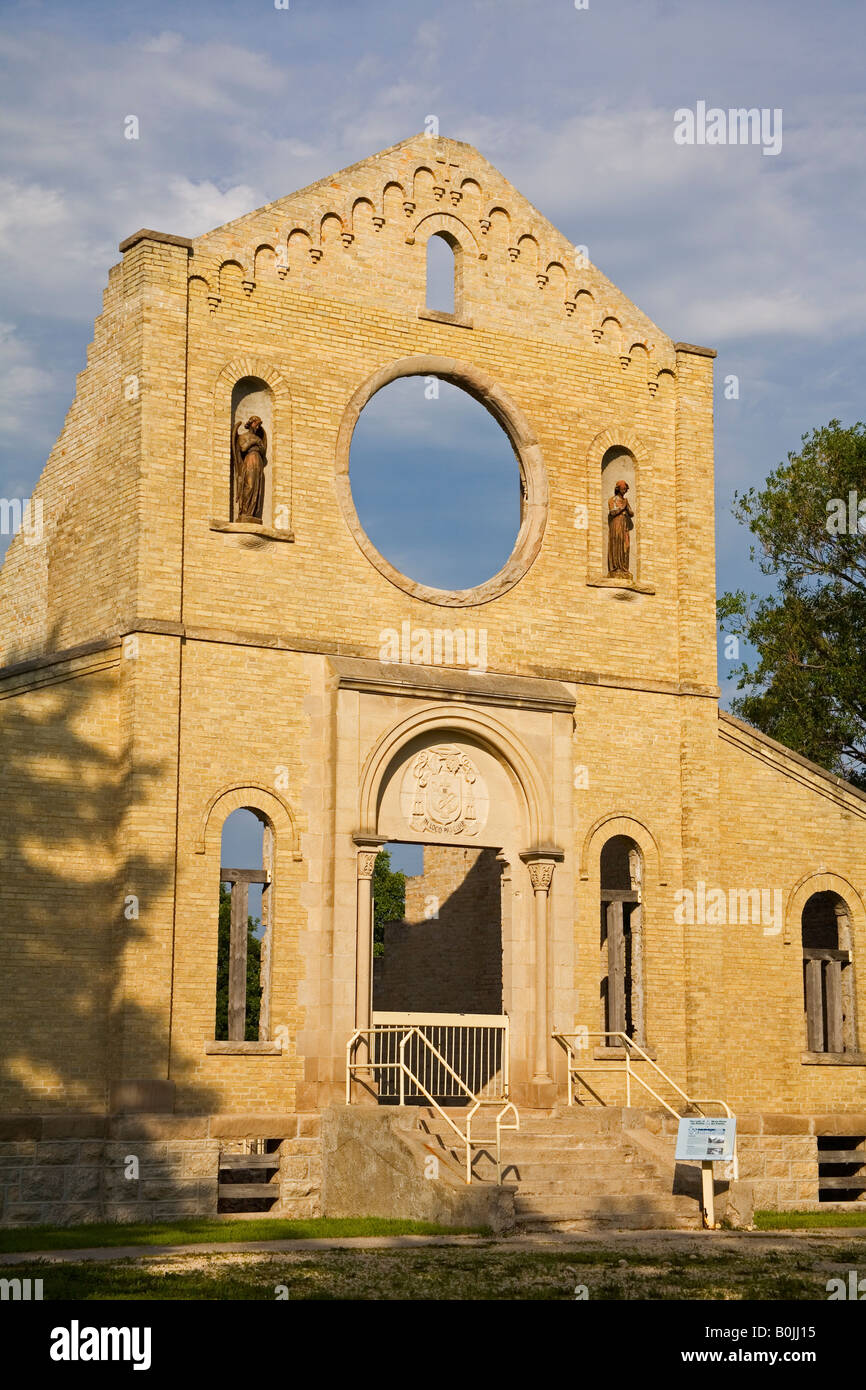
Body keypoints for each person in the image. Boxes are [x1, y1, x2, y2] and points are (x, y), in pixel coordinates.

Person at [232, 416, 267, 522]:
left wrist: (257, 444)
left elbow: (263, 450)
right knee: (249, 486)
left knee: (257, 488)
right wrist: (253, 442)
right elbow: (243, 448)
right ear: (251, 424)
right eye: (257, 424)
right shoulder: (244, 436)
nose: (258, 427)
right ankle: (245, 512)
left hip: (258, 463)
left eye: (259, 425)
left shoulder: (259, 438)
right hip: (249, 461)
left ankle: (253, 513)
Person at [607, 479, 634, 577]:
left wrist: (626, 507)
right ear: (618, 489)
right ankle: (616, 567)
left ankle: (624, 567)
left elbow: (631, 513)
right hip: (616, 523)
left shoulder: (625, 501)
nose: (624, 491)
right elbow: (612, 512)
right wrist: (623, 507)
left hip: (624, 525)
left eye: (625, 489)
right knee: (617, 543)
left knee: (625, 545)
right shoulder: (613, 499)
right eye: (623, 489)